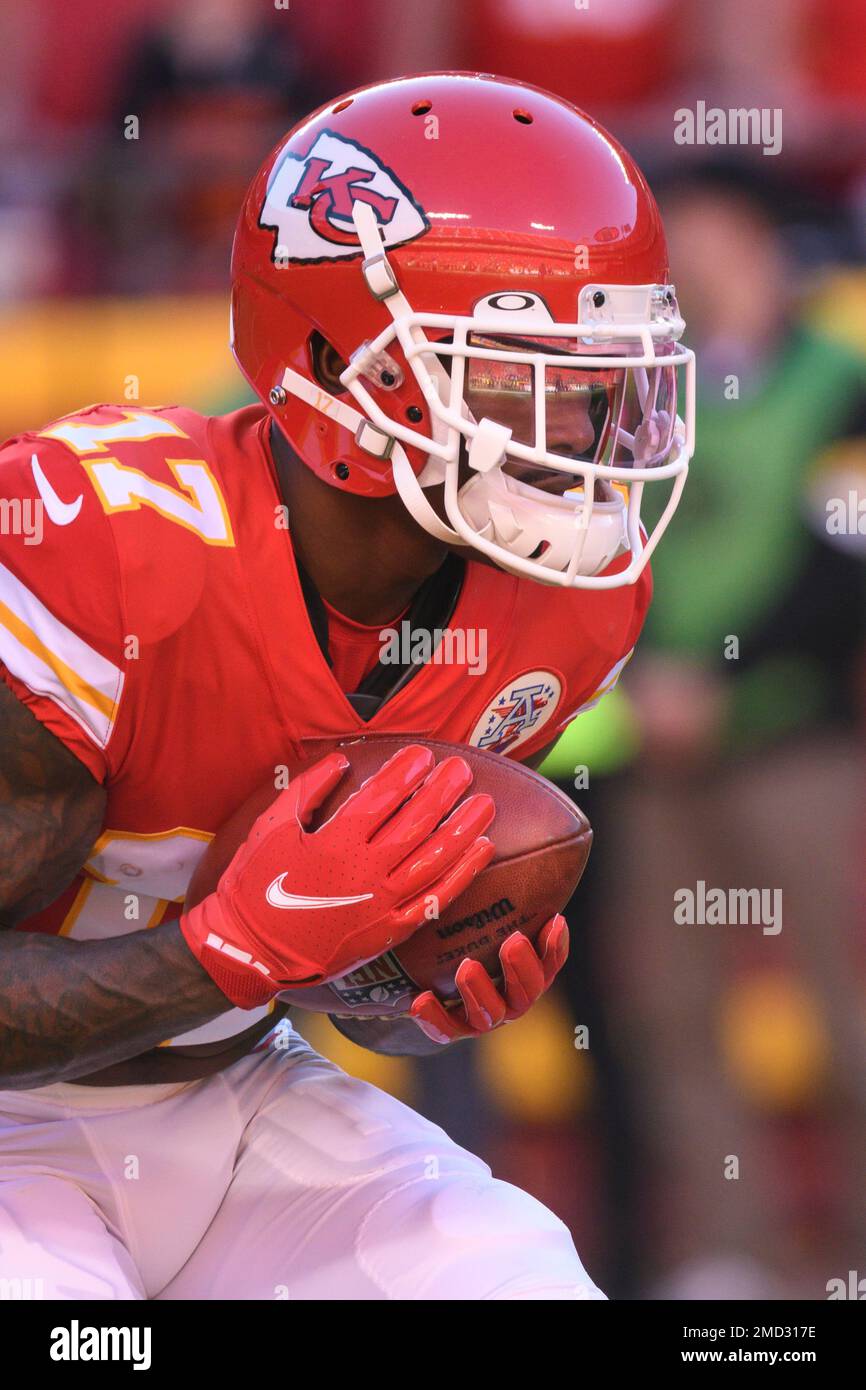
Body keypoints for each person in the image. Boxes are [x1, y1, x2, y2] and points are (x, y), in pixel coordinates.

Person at [0, 73, 693, 1300]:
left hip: (239, 1092)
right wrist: (227, 950)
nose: (583, 426)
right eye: (523, 367)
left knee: (513, 1280)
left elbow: (329, 984)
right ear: (340, 366)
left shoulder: (565, 601)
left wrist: (411, 982)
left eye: (598, 375)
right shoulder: (95, 549)